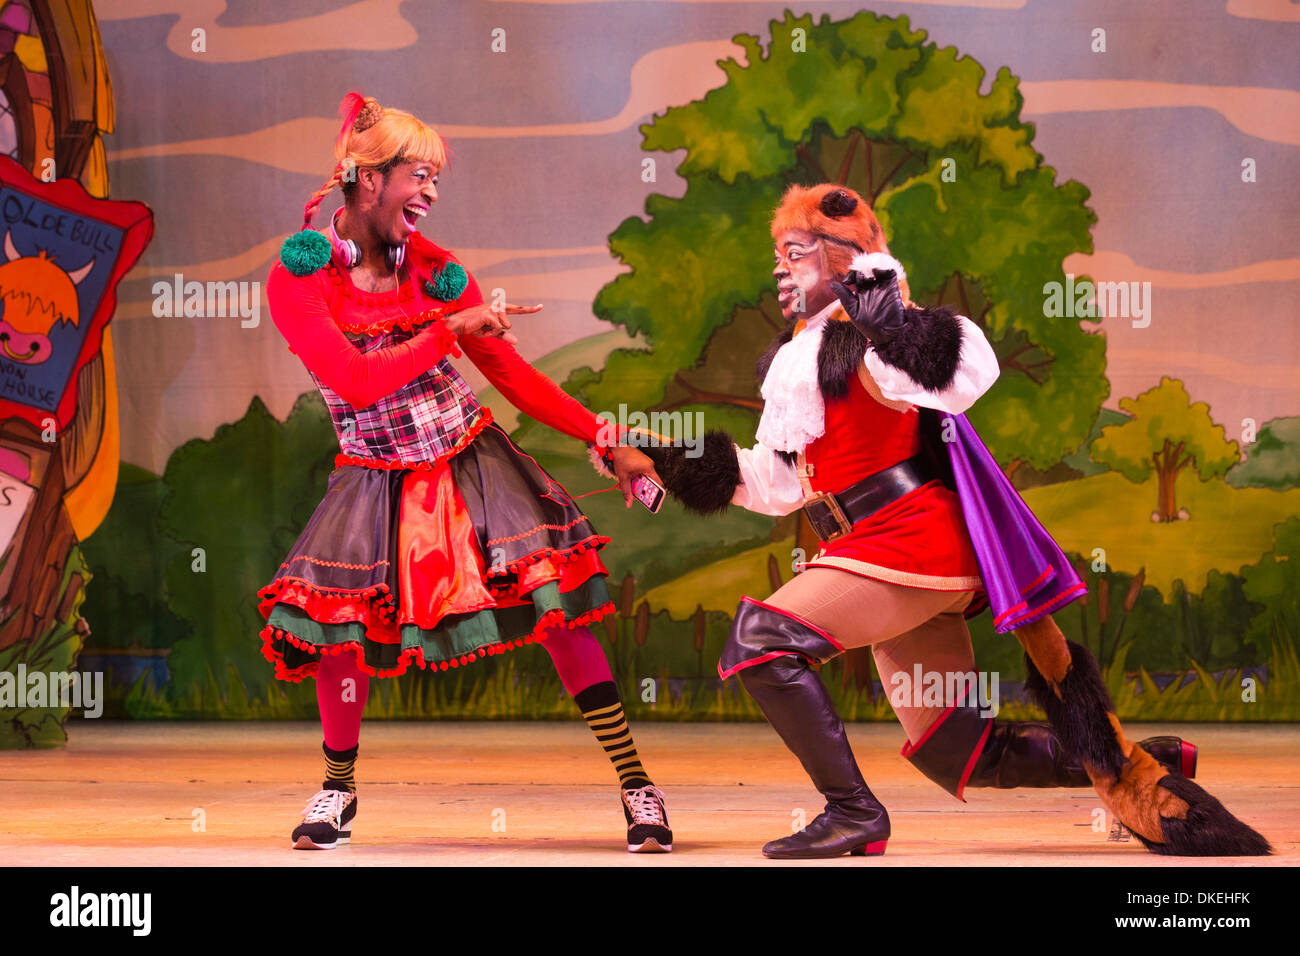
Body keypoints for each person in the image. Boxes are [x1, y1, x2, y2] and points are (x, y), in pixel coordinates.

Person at [647, 182, 1269, 859]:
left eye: (793, 252)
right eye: (778, 253)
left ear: (842, 257)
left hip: (912, 544)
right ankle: (1144, 758)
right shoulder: (803, 356)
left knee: (759, 640)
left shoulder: (874, 339)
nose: (778, 267)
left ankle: (853, 812)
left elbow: (965, 370)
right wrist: (660, 460)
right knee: (957, 751)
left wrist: (897, 325)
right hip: (880, 555)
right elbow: (775, 484)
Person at [258, 92, 671, 853]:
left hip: (471, 460)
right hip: (373, 473)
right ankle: (337, 790)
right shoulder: (301, 278)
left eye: (436, 179)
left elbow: (512, 376)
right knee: (337, 631)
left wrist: (604, 439)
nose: (432, 195)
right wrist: (449, 331)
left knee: (558, 607)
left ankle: (638, 787)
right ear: (368, 179)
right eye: (419, 176)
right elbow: (355, 381)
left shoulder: (440, 273)